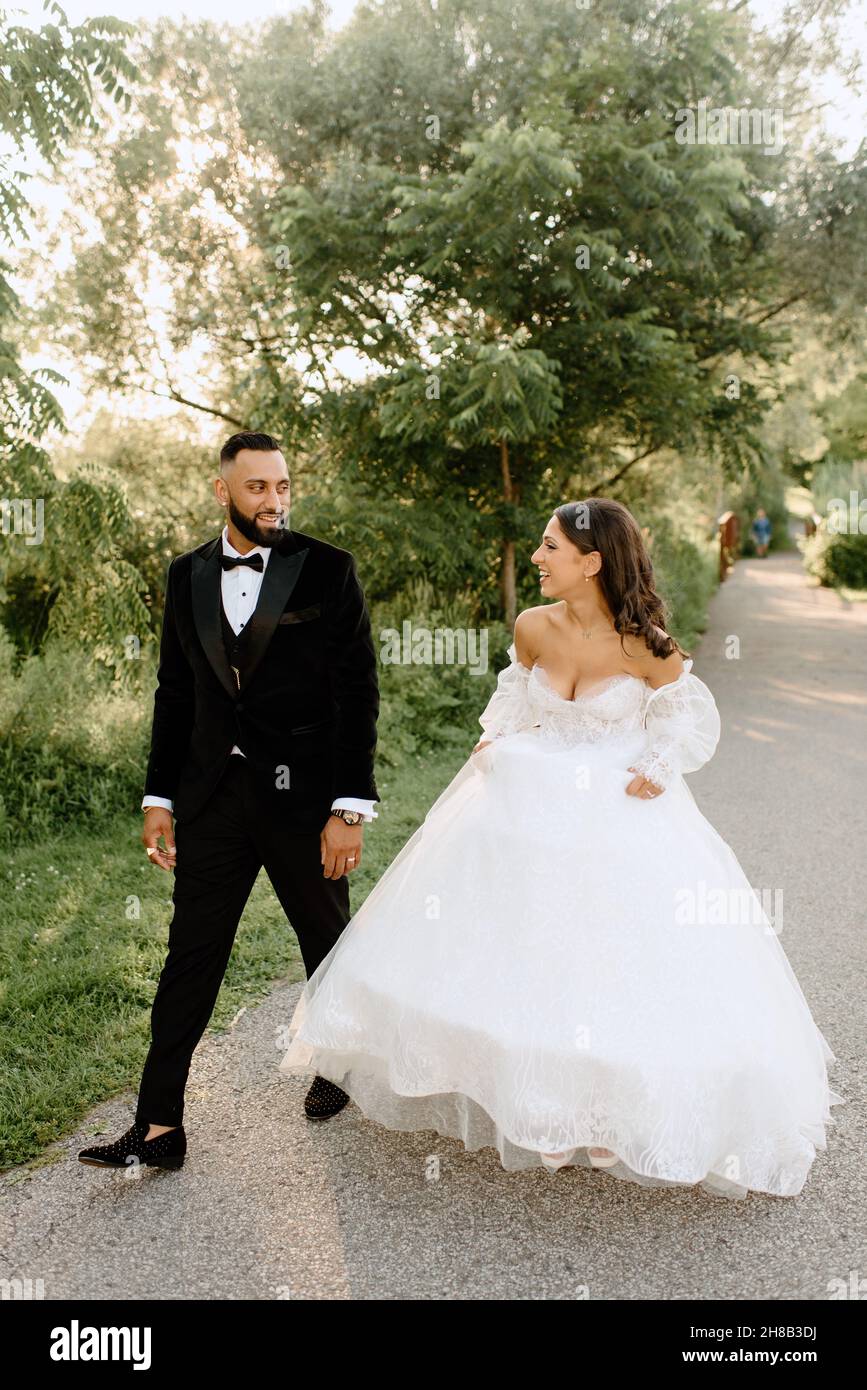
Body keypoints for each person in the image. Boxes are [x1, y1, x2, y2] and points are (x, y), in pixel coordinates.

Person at [280, 497, 843, 1199]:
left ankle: (603, 1108)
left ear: (591, 562)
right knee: (515, 951)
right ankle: (532, 1100)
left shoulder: (646, 645)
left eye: (549, 548)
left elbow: (682, 718)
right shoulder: (531, 626)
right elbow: (515, 700)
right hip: (522, 809)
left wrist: (658, 767)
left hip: (618, 818)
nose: (538, 558)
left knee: (606, 960)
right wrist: (494, 738)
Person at [78, 431, 380, 1170]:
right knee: (191, 955)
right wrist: (159, 796)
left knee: (326, 942)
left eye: (281, 486)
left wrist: (348, 808)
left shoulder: (327, 571)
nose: (273, 501)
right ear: (222, 491)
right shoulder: (184, 576)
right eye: (256, 488)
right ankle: (158, 1127)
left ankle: (336, 1066)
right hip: (213, 797)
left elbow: (357, 692)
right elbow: (173, 694)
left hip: (305, 798)